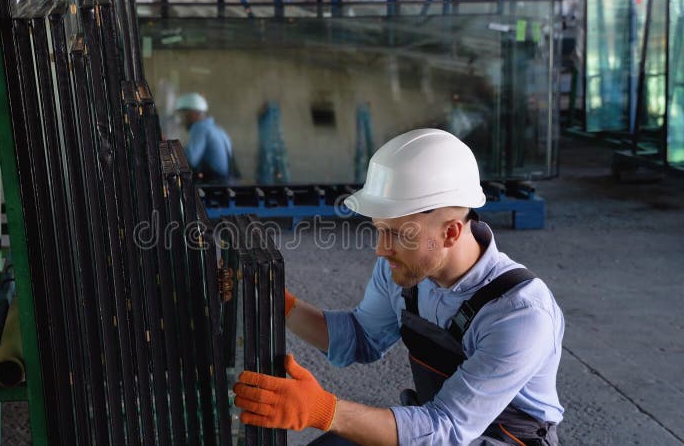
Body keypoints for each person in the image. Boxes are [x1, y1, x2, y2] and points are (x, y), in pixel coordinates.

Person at [233, 129, 565, 445]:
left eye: (397, 234)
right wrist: (278, 303)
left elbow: (446, 429)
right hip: (436, 426)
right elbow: (360, 337)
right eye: (379, 229)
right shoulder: (405, 271)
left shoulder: (519, 313)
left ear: (450, 233)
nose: (380, 249)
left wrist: (324, 410)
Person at [175, 92, 236, 184]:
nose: (181, 121)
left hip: (214, 188)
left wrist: (172, 147)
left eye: (183, 115)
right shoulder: (217, 129)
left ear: (193, 113)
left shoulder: (199, 127)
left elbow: (191, 160)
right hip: (227, 185)